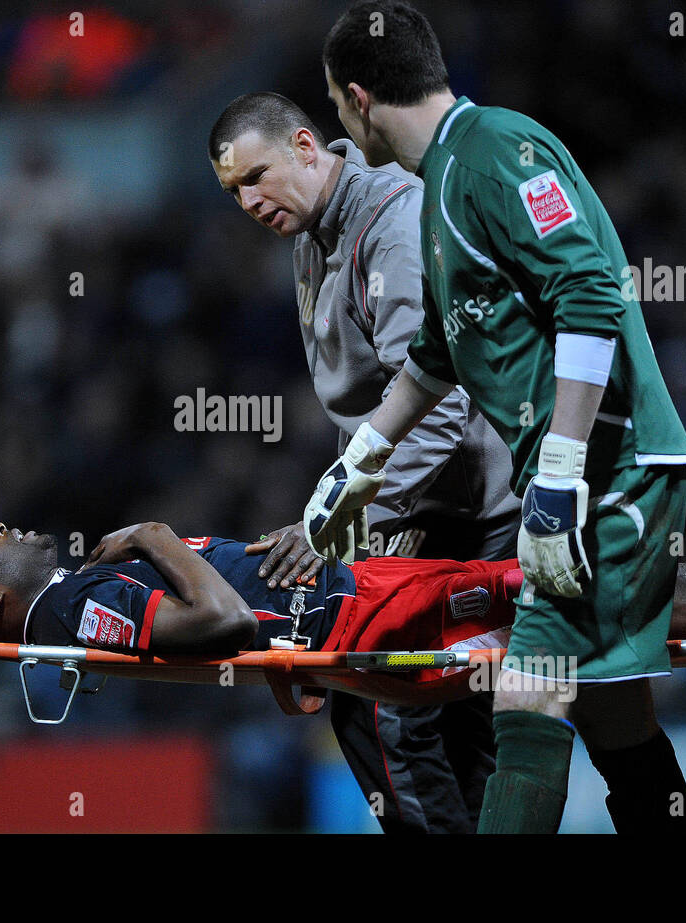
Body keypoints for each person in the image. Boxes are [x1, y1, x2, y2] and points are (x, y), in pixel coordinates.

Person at [307, 1, 686, 833]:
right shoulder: (444, 181)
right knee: (613, 718)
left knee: (528, 695)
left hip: (608, 473)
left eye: (337, 110)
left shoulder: (495, 153)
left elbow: (590, 293)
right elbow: (440, 356)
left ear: (357, 98)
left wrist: (559, 474)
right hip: (586, 477)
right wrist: (364, 455)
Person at [208, 91, 519, 833]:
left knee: (383, 706)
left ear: (308, 147)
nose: (248, 200)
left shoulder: (393, 223)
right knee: (456, 724)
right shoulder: (312, 234)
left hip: (468, 510)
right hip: (428, 512)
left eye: (257, 175)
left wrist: (348, 523)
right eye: (233, 191)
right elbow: (368, 408)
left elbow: (437, 405)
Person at [0, 521, 686, 673]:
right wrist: (151, 534)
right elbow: (218, 622)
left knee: (652, 590)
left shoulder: (73, 584)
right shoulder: (63, 613)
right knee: (653, 587)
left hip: (362, 590)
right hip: (367, 616)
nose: (1, 527)